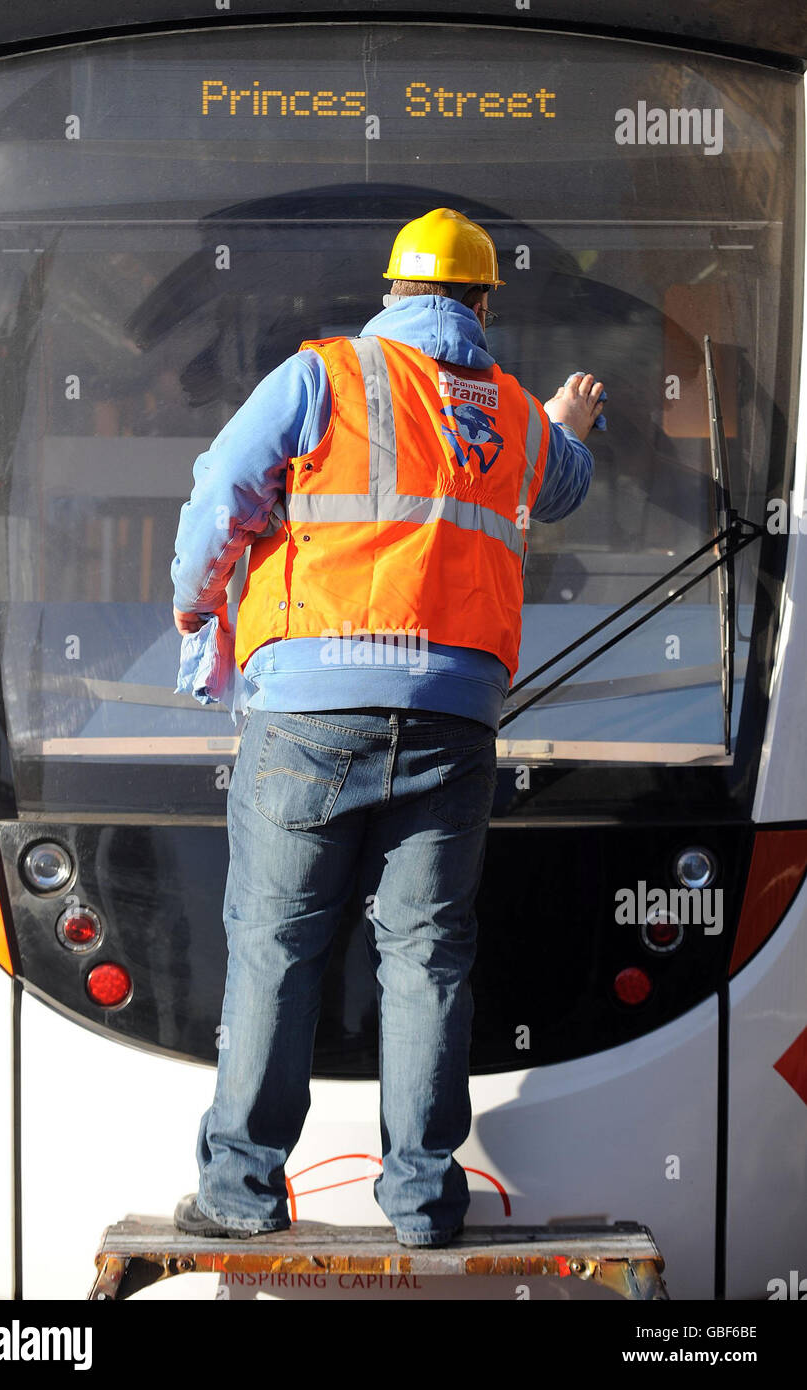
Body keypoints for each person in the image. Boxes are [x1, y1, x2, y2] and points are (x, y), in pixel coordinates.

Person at [170, 208, 605, 1247]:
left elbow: (220, 491)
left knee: (276, 947)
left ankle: (240, 1191)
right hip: (453, 719)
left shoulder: (322, 375)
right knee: (425, 959)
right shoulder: (505, 408)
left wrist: (197, 612)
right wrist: (566, 420)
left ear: (392, 294)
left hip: (310, 710)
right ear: (483, 303)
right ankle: (419, 1201)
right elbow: (565, 485)